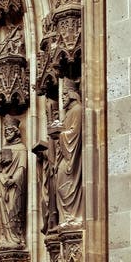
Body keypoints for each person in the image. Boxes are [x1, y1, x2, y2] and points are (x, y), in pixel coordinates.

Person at [50, 80, 83, 226]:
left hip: (71, 159)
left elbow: (74, 134)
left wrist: (60, 133)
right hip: (64, 156)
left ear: (72, 94)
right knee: (60, 186)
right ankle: (67, 218)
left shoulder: (77, 110)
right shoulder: (70, 112)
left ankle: (73, 217)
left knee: (66, 186)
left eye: (64, 94)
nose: (63, 97)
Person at [0, 116, 27, 248]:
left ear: (16, 131)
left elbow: (22, 168)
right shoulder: (2, 151)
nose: (7, 133)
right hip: (1, 185)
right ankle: (4, 237)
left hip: (13, 186)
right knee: (1, 207)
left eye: (10, 130)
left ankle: (15, 237)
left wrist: (13, 180)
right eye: (5, 131)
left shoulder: (21, 148)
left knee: (13, 209)